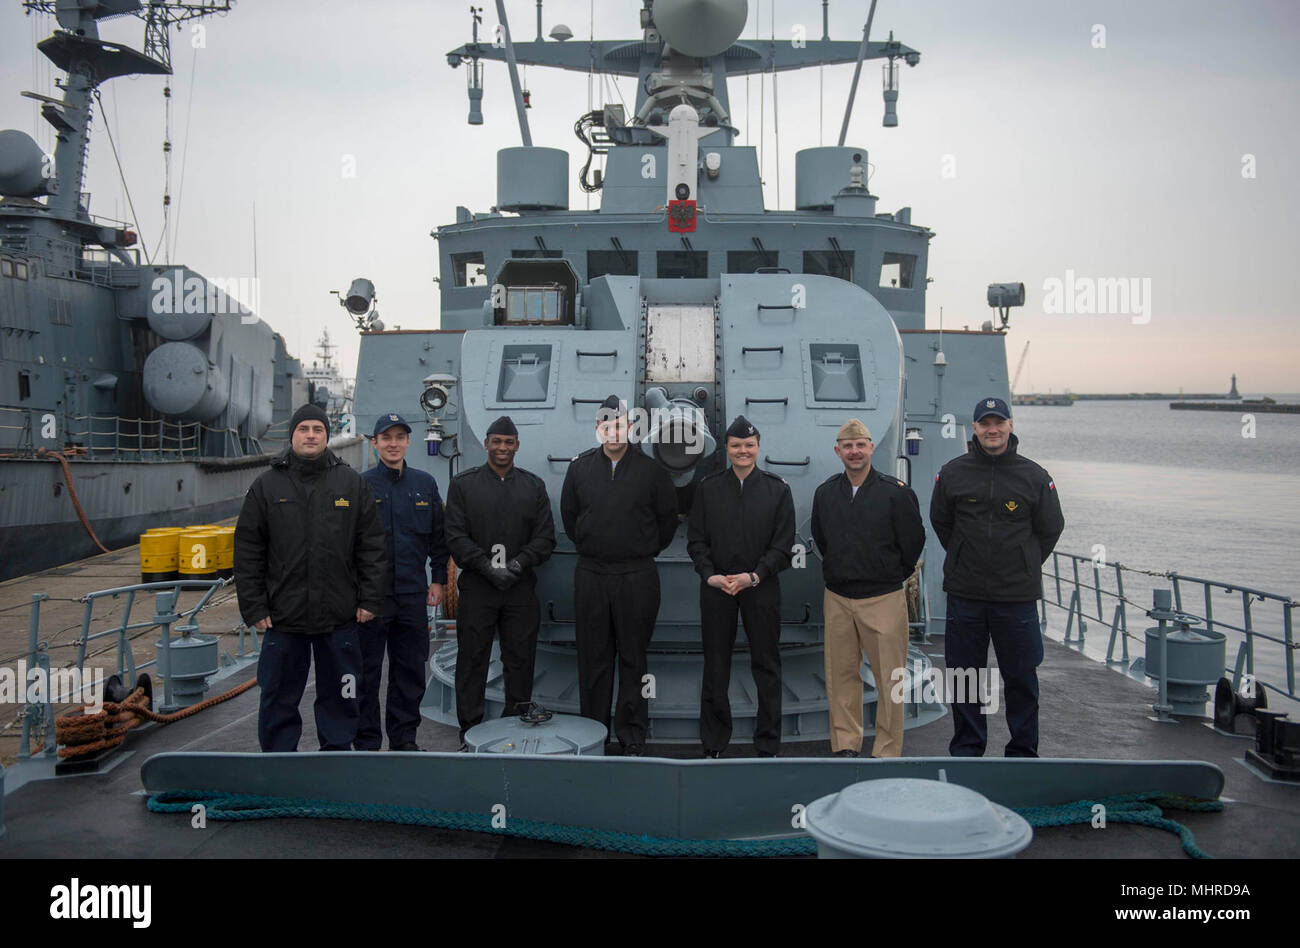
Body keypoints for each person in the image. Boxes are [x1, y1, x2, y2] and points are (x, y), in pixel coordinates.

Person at [234, 403, 387, 751]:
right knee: (278, 695)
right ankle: (279, 760)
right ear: (292, 435)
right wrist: (254, 607)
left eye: (318, 430)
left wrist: (369, 600)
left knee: (341, 693)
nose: (311, 436)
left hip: (339, 615)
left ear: (326, 436)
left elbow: (372, 547)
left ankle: (335, 756)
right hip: (283, 616)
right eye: (304, 429)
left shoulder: (350, 483)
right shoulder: (267, 486)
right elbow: (247, 551)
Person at [929, 396, 1064, 757]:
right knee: (964, 678)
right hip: (965, 594)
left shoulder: (1035, 477)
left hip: (1016, 598)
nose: (992, 429)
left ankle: (1022, 752)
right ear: (974, 429)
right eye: (985, 423)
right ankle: (968, 750)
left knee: (1020, 678)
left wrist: (1023, 562)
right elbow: (941, 522)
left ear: (1010, 425)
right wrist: (962, 557)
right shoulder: (952, 472)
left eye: (998, 422)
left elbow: (1050, 529)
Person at [561, 395, 678, 756]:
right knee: (593, 658)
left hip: (636, 575)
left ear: (631, 428)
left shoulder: (652, 472)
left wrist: (639, 548)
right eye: (606, 426)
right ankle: (593, 732)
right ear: (598, 429)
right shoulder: (579, 469)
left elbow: (667, 522)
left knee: (633, 657)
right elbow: (570, 517)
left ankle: (632, 735)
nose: (613, 432)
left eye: (620, 425)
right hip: (592, 574)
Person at [811, 418, 925, 758]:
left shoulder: (896, 493)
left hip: (883, 598)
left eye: (860, 445)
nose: (854, 452)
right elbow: (822, 537)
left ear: (871, 448)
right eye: (847, 446)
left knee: (890, 678)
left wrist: (890, 574)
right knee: (842, 675)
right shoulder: (826, 493)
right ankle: (846, 743)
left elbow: (913, 541)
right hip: (839, 598)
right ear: (838, 451)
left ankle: (887, 749)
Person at [443, 416, 555, 749]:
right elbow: (455, 536)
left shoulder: (533, 487)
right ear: (487, 443)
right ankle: (470, 727)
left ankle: (514, 721)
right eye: (496, 441)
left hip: (519, 587)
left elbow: (545, 537)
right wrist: (488, 568)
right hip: (479, 586)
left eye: (508, 442)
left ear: (516, 445)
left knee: (520, 658)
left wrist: (518, 564)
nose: (502, 448)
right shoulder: (463, 486)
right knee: (472, 658)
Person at [687, 416, 795, 758]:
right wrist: (709, 574)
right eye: (736, 446)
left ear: (758, 447)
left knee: (766, 663)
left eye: (749, 445)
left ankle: (768, 743)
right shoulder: (708, 488)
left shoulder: (778, 490)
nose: (742, 451)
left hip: (760, 587)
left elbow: (783, 545)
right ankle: (714, 742)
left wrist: (755, 575)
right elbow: (697, 540)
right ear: (727, 448)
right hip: (718, 586)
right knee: (716, 665)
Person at [354, 412, 449, 752]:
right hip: (371, 597)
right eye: (386, 437)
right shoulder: (361, 486)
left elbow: (440, 537)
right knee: (365, 673)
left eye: (399, 437)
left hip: (411, 595)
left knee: (409, 672)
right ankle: (366, 743)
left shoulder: (425, 485)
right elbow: (349, 543)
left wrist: (438, 580)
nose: (393, 444)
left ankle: (404, 740)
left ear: (408, 442)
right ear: (375, 442)